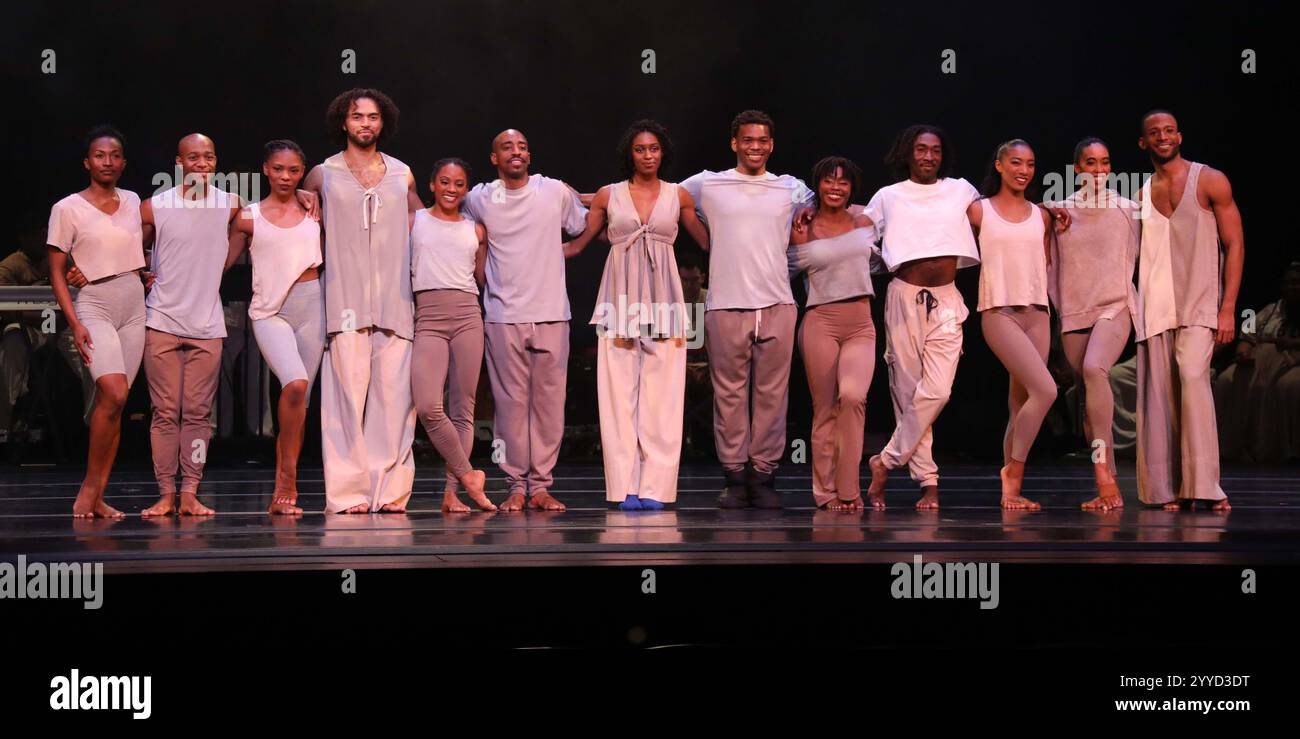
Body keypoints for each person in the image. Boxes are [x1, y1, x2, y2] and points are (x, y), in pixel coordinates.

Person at [564, 119, 709, 510]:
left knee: (663, 399)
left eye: (654, 149)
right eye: (640, 149)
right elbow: (577, 246)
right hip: (619, 299)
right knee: (617, 397)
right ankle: (624, 486)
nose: (648, 155)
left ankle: (657, 488)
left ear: (664, 153)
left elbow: (709, 241)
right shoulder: (609, 196)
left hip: (665, 300)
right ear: (629, 154)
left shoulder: (679, 196)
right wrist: (525, 250)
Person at [681, 110, 813, 509]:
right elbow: (658, 196)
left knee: (773, 394)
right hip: (726, 303)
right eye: (748, 140)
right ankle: (735, 475)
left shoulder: (790, 188)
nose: (755, 147)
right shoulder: (708, 184)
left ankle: (764, 475)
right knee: (729, 395)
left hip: (777, 301)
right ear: (734, 143)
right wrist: (708, 241)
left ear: (771, 145)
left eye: (762, 141)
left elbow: (828, 208)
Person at [301, 88, 423, 514]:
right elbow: (298, 223)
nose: (365, 124)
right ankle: (349, 493)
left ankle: (388, 491)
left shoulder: (402, 173)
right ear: (344, 122)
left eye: (373, 117)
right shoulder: (323, 173)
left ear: (383, 122)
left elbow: (423, 227)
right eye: (358, 117)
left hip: (395, 301)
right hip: (344, 299)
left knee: (394, 402)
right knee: (344, 404)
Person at [463, 128, 588, 512]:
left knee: (550, 405)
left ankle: (541, 487)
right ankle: (516, 484)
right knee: (509, 407)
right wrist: (485, 278)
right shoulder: (480, 198)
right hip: (504, 315)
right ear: (493, 158)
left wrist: (566, 250)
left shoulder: (552, 191)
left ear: (529, 156)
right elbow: (458, 228)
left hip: (551, 312)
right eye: (506, 147)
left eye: (521, 147)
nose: (515, 152)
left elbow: (585, 221)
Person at [863, 125, 981, 511]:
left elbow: (996, 213)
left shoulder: (960, 189)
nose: (928, 156)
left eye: (935, 150)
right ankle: (928, 482)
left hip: (947, 298)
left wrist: (1046, 210)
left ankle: (886, 461)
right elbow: (860, 232)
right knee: (908, 393)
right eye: (921, 149)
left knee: (937, 392)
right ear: (907, 154)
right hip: (903, 296)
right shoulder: (888, 196)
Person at [1134, 110, 1244, 512]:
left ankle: (1206, 486)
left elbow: (1235, 245)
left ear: (1179, 135)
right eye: (1153, 133)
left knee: (1193, 380)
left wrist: (1228, 309)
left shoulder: (1210, 180)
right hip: (1156, 307)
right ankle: (1170, 489)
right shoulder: (1142, 193)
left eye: (1168, 131)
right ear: (1143, 143)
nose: (1162, 137)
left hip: (1200, 305)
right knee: (1162, 397)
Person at [47, 126, 147, 518]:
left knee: (114, 404)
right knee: (115, 393)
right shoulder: (67, 207)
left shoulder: (133, 200)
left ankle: (99, 496)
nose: (108, 161)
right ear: (88, 162)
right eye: (100, 155)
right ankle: (87, 489)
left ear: (123, 162)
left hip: (134, 303)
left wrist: (144, 271)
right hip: (95, 306)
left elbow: (128, 249)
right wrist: (74, 321)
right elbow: (57, 269)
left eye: (115, 155)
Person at [226, 140, 325, 515]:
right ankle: (285, 480)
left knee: (301, 399)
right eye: (279, 169)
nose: (286, 176)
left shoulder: (313, 209)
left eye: (294, 170)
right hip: (270, 312)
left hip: (311, 304)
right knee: (295, 383)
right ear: (265, 169)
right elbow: (219, 263)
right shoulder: (249, 217)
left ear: (303, 172)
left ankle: (288, 477)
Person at [1047, 137, 1140, 511]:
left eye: (1104, 163)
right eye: (1090, 163)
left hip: (1115, 307)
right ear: (1077, 168)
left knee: (1094, 369)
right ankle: (1108, 483)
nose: (1099, 171)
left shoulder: (1128, 209)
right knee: (1088, 405)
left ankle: (1104, 478)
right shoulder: (1057, 211)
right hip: (1073, 312)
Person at [787, 156, 879, 510]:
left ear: (852, 187)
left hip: (860, 322)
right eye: (828, 180)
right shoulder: (802, 226)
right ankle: (825, 492)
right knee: (824, 409)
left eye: (843, 181)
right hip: (820, 320)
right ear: (818, 186)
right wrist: (802, 216)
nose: (835, 187)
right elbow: (787, 267)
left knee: (854, 398)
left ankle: (849, 487)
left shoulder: (864, 219)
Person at [969, 139, 1054, 511]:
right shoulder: (978, 211)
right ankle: (1013, 473)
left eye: (1031, 164)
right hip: (999, 312)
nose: (1024, 170)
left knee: (1019, 403)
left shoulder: (1043, 215)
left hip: (1038, 313)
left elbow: (1047, 262)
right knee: (1046, 391)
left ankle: (1010, 493)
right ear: (1000, 165)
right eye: (1016, 162)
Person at [409, 157, 494, 513]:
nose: (451, 189)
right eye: (444, 181)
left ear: (466, 190)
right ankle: (470, 475)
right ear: (432, 184)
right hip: (427, 315)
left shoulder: (475, 230)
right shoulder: (414, 221)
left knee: (463, 409)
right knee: (428, 406)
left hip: (467, 316)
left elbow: (482, 278)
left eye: (459, 184)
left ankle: (452, 493)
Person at [1214, 263, 1300, 463]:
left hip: (1293, 360)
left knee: (1286, 386)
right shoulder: (1271, 310)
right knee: (1226, 381)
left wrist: (1292, 343)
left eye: (1297, 283)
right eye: (1288, 283)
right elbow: (1247, 334)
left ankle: (1283, 449)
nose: (1292, 288)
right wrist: (1243, 351)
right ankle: (1227, 446)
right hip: (1261, 360)